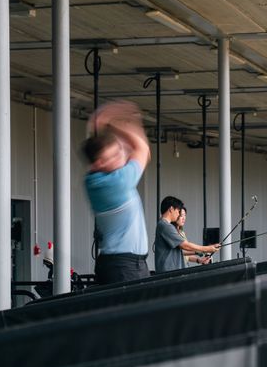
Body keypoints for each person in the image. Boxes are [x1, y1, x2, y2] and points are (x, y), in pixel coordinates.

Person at [82, 101, 151, 285]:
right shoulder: (116, 182)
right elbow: (142, 149)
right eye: (112, 156)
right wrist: (111, 123)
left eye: (118, 152)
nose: (120, 157)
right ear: (99, 164)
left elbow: (132, 149)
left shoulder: (95, 179)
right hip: (123, 267)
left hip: (121, 264)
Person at [153, 196, 218, 273]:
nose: (178, 215)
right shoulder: (165, 226)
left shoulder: (164, 225)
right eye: (178, 211)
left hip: (172, 271)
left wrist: (200, 256)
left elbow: (181, 250)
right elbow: (184, 245)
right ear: (171, 209)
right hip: (169, 272)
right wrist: (207, 248)